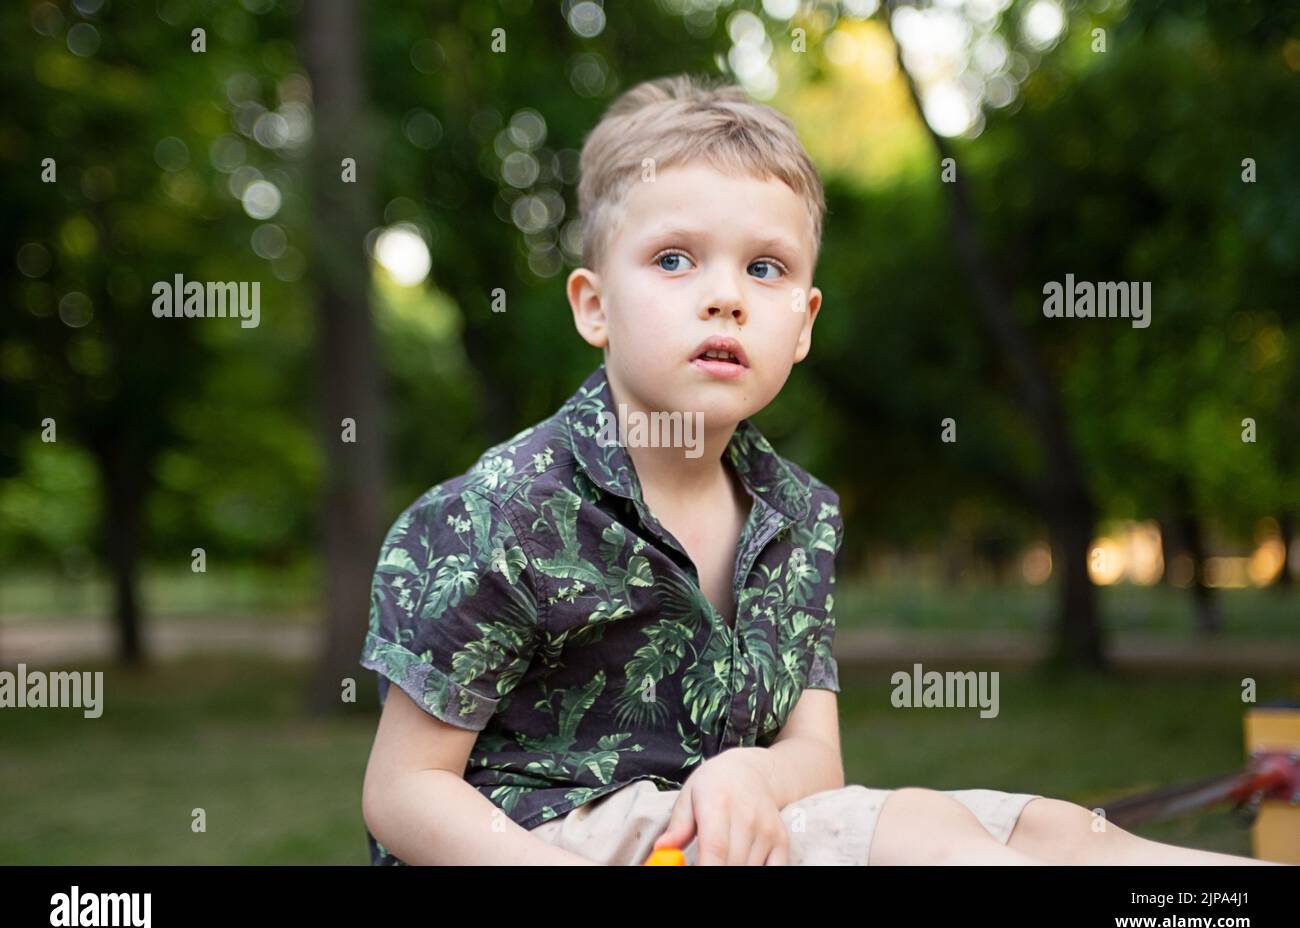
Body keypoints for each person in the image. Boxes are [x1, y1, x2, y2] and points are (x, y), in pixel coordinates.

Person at [359, 73, 1277, 866]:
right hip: (551, 842)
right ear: (594, 306)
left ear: (802, 324)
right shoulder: (498, 514)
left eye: (765, 268)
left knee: (1060, 833)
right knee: (918, 837)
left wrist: (750, 771)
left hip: (756, 829)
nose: (724, 294)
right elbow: (402, 795)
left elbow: (815, 755)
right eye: (674, 259)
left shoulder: (796, 518)